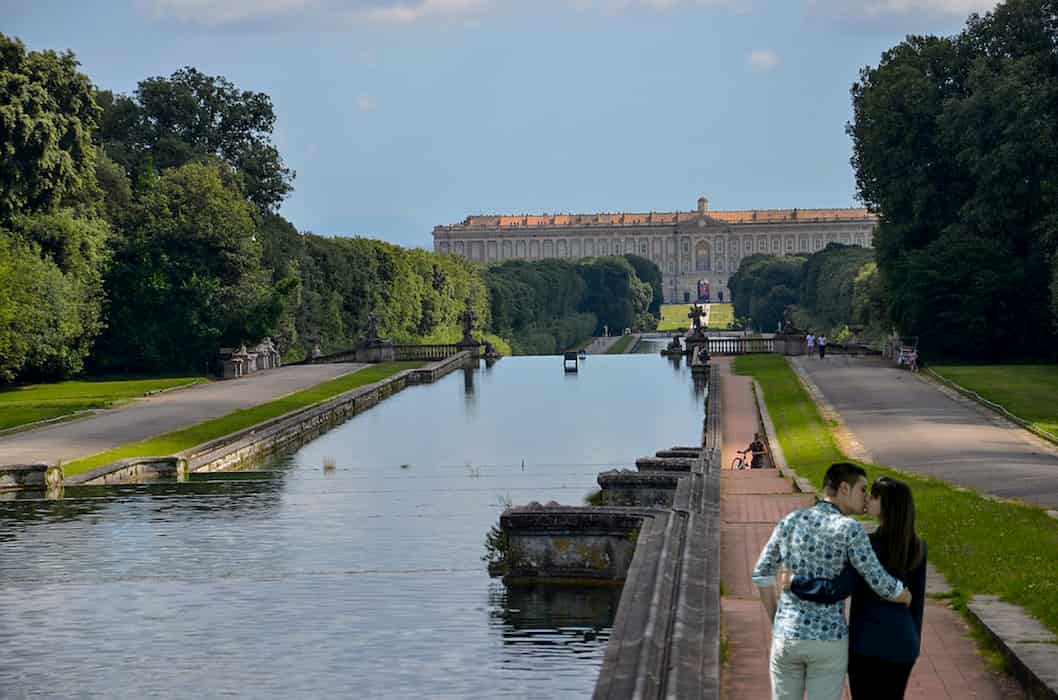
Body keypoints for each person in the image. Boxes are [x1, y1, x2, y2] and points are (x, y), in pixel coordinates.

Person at [752, 463, 911, 700]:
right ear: (844, 488)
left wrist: (777, 620)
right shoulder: (849, 529)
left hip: (787, 636)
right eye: (862, 489)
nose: (866, 497)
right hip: (827, 641)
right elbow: (877, 579)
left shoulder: (790, 521)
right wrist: (902, 593)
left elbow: (762, 573)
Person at [785, 477, 927, 699]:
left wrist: (795, 582)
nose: (868, 498)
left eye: (874, 495)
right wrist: (914, 642)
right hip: (904, 645)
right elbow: (917, 603)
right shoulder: (918, 546)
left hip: (867, 644)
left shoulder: (867, 545)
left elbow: (837, 589)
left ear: (886, 505)